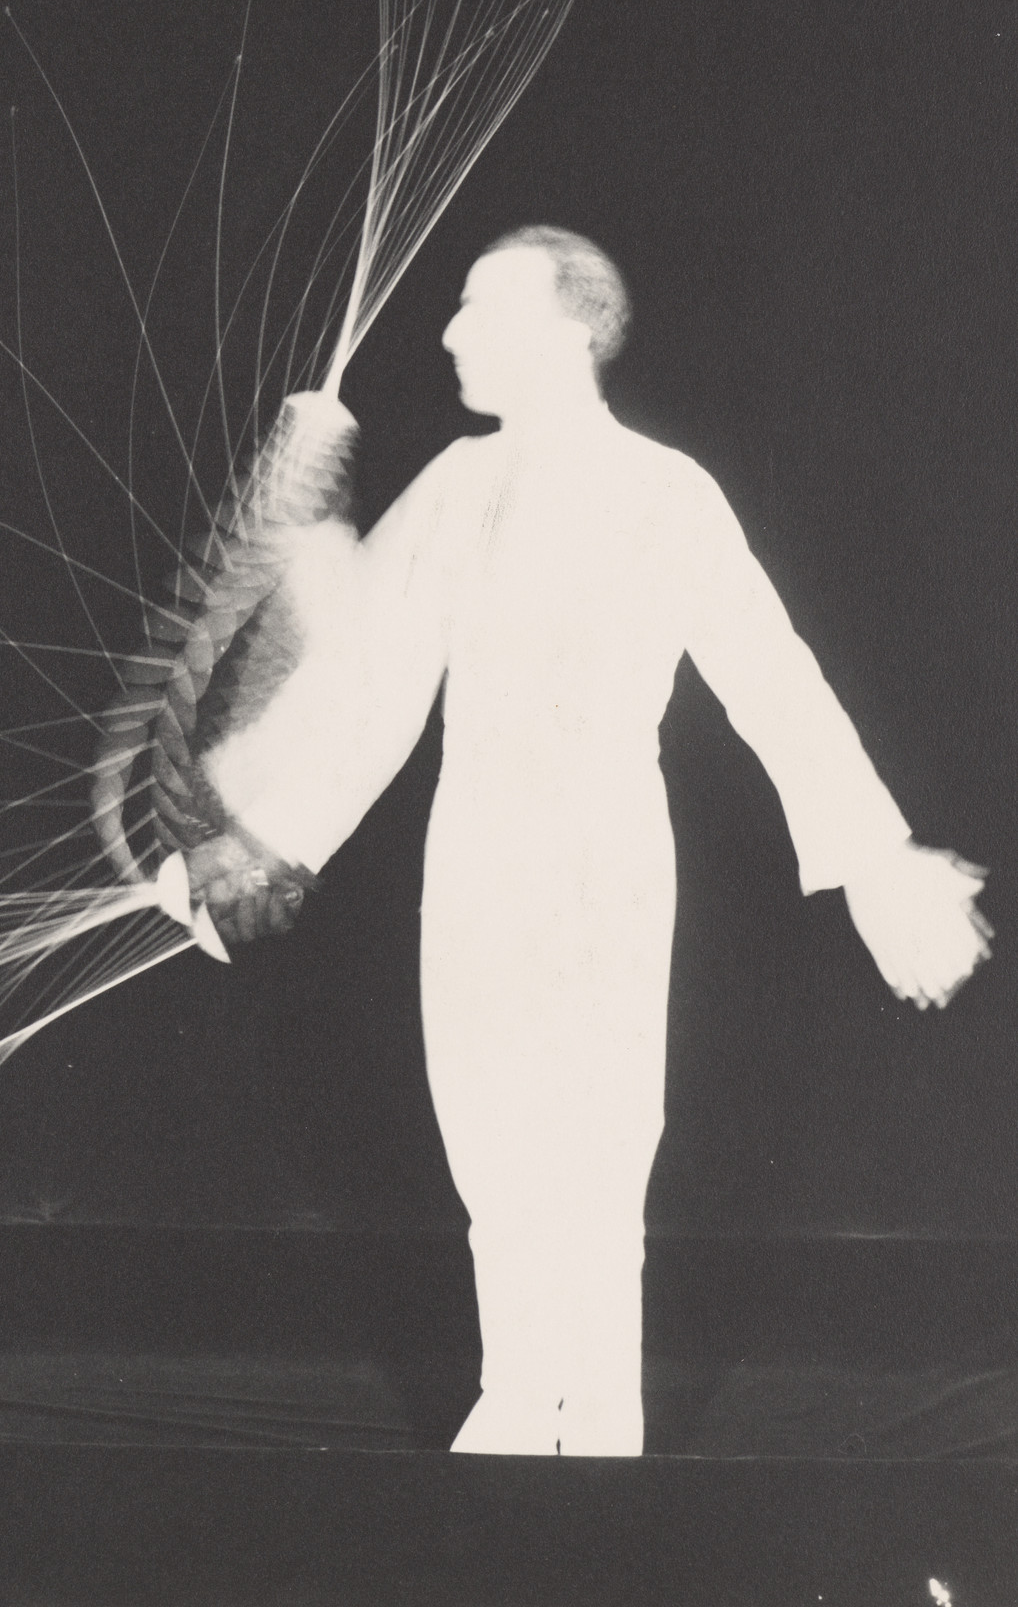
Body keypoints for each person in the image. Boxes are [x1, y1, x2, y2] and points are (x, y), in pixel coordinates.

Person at [184, 226, 993, 1456]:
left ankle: (598, 1428)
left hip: (602, 841)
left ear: (568, 328)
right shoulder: (460, 481)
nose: (447, 333)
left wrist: (874, 859)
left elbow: (770, 676)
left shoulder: (665, 490)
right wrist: (260, 843)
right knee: (486, 1131)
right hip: (475, 838)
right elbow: (367, 682)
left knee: (599, 1135)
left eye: (473, 309)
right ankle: (517, 1404)